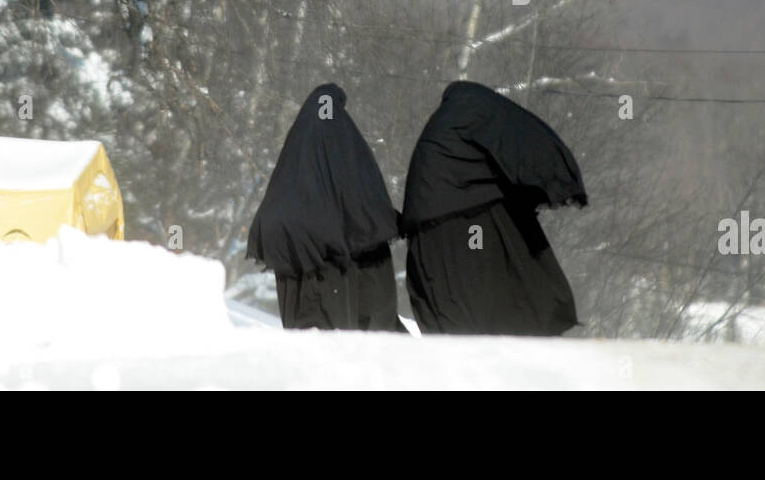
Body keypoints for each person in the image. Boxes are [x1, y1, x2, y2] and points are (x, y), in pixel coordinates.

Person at [401, 80, 587, 336]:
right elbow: (518, 142)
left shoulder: (448, 123)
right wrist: (556, 182)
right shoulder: (472, 112)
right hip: (464, 219)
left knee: (458, 309)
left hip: (429, 233)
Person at [246, 83, 404, 331]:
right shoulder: (347, 141)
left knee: (305, 333)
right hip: (338, 266)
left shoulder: (296, 144)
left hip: (296, 254)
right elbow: (365, 201)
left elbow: (276, 209)